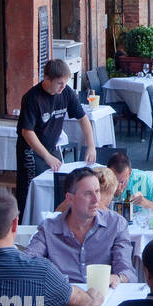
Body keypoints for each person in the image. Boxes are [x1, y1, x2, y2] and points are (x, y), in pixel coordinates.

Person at [26, 166, 135, 284]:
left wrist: (118, 278)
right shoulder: (49, 229)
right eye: (88, 194)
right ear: (70, 198)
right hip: (63, 298)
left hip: (103, 296)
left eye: (97, 191)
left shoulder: (116, 224)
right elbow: (27, 262)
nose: (96, 200)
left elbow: (127, 272)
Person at [15, 59, 95, 216]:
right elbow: (27, 132)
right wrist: (46, 156)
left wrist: (91, 145)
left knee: (60, 186)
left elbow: (82, 118)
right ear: (47, 79)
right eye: (59, 83)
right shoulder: (32, 98)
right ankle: (26, 225)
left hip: (52, 147)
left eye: (65, 82)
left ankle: (56, 223)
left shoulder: (66, 92)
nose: (63, 87)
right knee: (30, 190)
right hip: (31, 150)